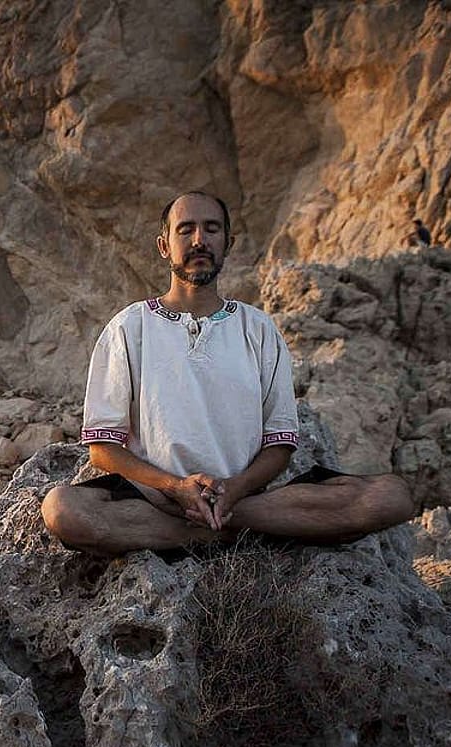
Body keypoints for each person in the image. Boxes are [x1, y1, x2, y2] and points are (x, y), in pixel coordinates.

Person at [41, 191, 415, 555]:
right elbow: (103, 449)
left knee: (391, 497)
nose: (199, 240)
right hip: (156, 501)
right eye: (185, 230)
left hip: (251, 498)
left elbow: (280, 444)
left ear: (228, 242)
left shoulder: (258, 329)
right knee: (63, 509)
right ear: (163, 246)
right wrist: (175, 487)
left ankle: (217, 523)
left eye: (212, 229)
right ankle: (224, 533)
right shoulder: (128, 327)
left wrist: (234, 490)